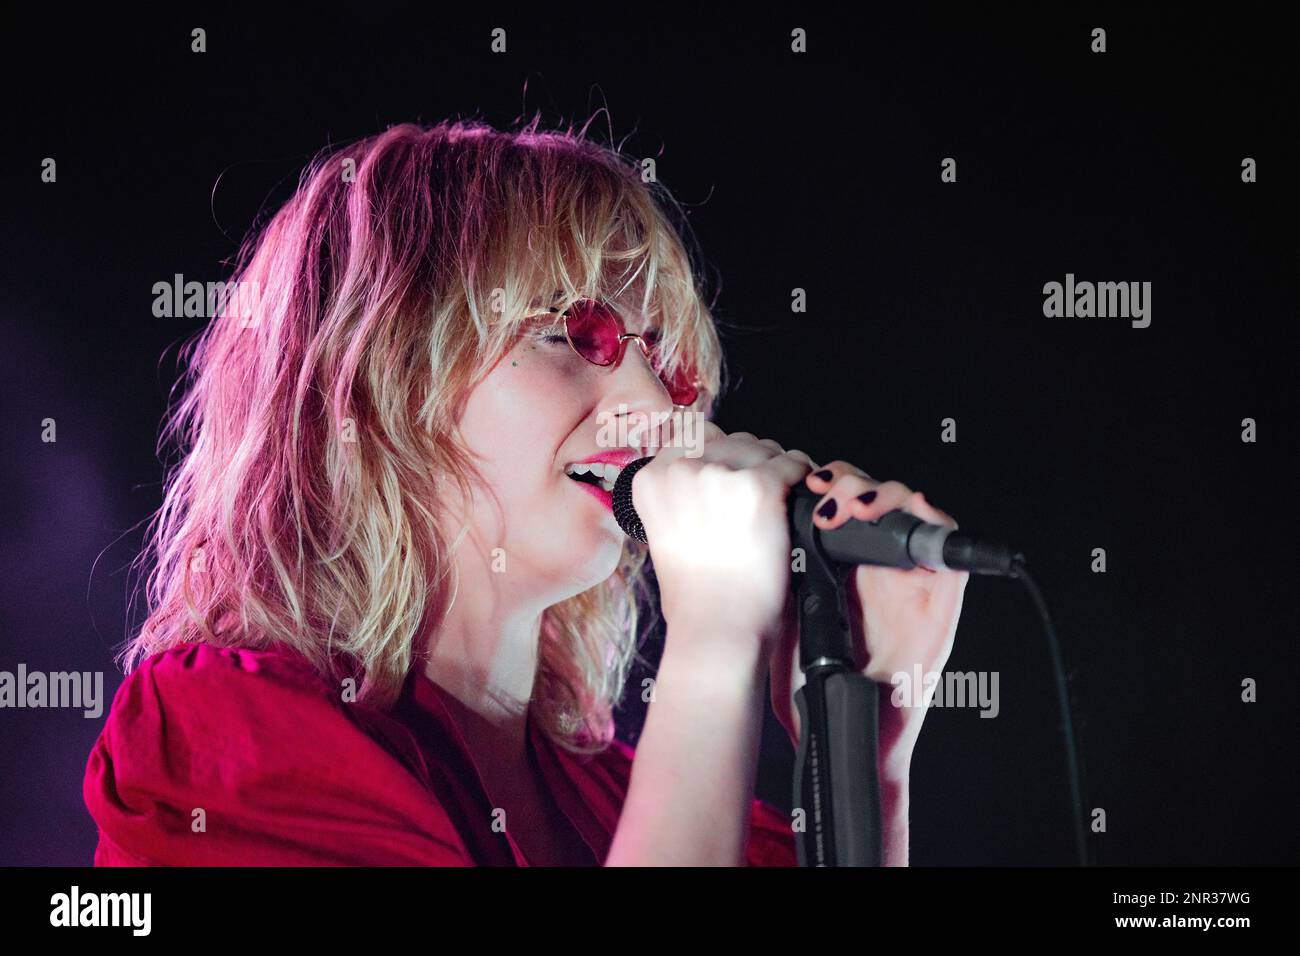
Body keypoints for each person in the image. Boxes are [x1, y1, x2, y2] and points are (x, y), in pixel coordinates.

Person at [83, 116, 969, 866]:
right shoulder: (218, 737)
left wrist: (869, 759)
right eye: (572, 332)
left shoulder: (633, 795)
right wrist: (714, 643)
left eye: (662, 355)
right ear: (374, 373)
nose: (657, 409)